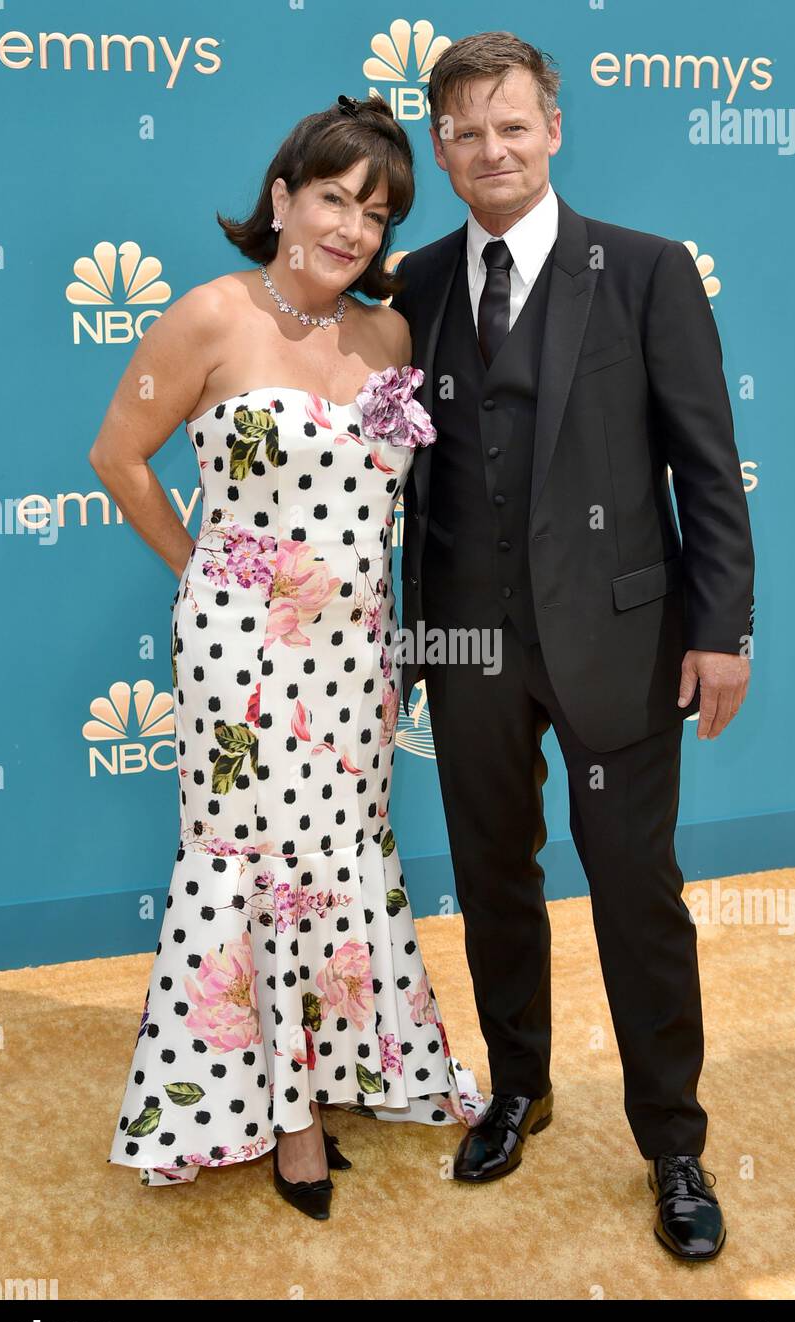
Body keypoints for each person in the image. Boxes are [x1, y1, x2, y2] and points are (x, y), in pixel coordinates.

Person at [389, 32, 756, 1260]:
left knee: (636, 896)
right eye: (465, 132)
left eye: (513, 125)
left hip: (623, 640)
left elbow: (706, 465)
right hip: (466, 644)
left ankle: (675, 1144)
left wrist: (722, 627)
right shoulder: (417, 284)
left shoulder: (647, 272)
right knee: (494, 879)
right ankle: (519, 1087)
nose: (491, 149)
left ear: (553, 130)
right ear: (440, 150)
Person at [92, 94, 484, 1222]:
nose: (352, 226)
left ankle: (348, 1053)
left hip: (355, 655)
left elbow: (392, 503)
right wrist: (206, 570)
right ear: (282, 197)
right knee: (250, 852)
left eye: (376, 210)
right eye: (332, 196)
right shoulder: (209, 316)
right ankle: (286, 1115)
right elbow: (119, 454)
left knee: (346, 843)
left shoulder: (389, 336)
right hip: (243, 653)